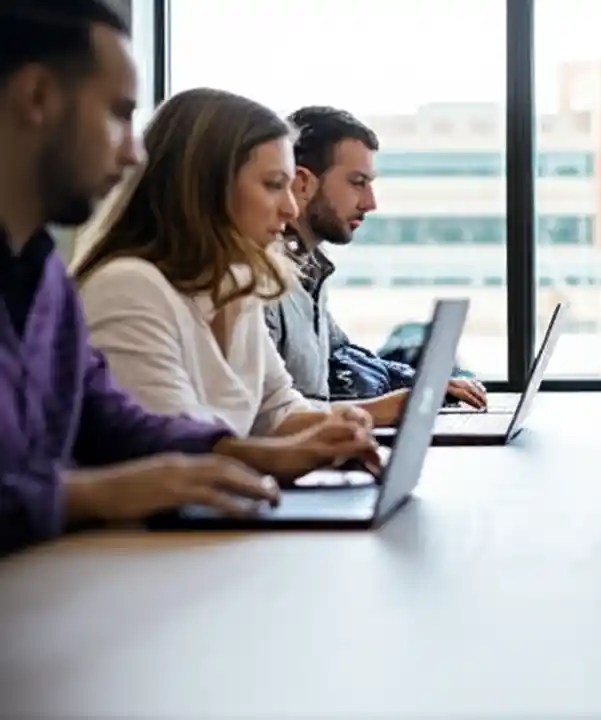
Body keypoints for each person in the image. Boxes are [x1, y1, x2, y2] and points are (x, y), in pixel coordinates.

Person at [0, 0, 375, 555]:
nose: (132, 154)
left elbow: (114, 419)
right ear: (37, 98)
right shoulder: (125, 286)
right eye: (117, 114)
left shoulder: (43, 276)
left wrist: (252, 453)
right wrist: (97, 494)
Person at [73, 89, 383, 440]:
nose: (291, 209)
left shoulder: (237, 284)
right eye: (272, 185)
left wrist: (344, 429)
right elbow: (175, 449)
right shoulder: (128, 287)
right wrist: (295, 453)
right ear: (206, 187)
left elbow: (278, 410)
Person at [266, 106, 486, 424]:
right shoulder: (259, 283)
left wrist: (422, 385)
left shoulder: (309, 268)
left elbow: (343, 352)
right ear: (302, 183)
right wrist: (382, 409)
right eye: (357, 183)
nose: (370, 203)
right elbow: (264, 416)